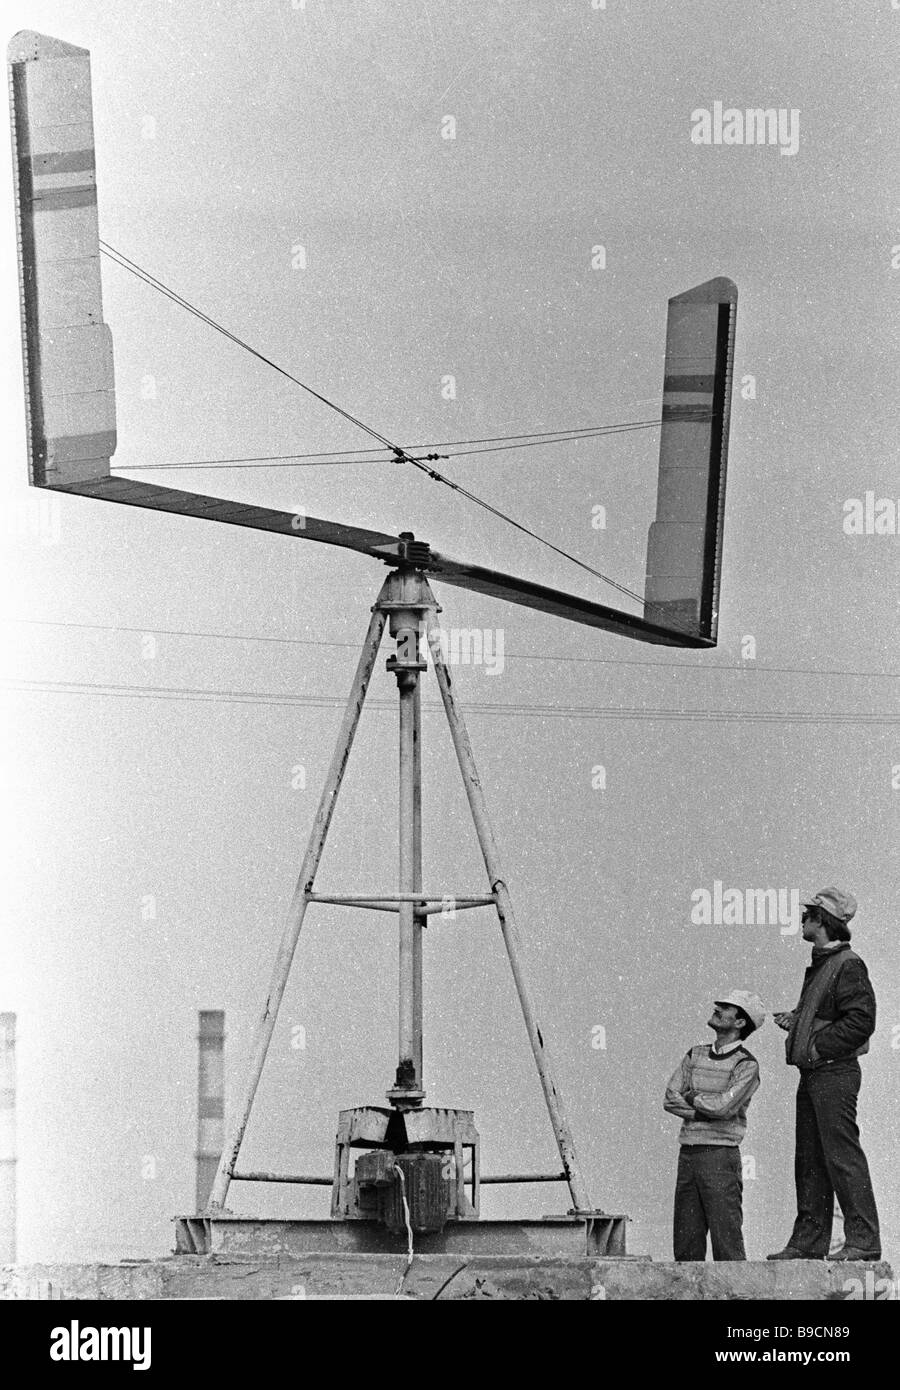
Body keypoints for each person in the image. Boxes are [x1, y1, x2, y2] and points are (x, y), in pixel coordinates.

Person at [768, 887, 881, 1261]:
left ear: (822, 920)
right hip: (816, 1075)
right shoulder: (824, 963)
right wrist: (800, 1025)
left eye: (808, 914)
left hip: (834, 1073)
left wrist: (816, 1044)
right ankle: (808, 1243)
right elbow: (835, 1017)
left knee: (841, 1157)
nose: (803, 919)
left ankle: (863, 1241)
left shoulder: (847, 964)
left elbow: (861, 1022)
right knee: (811, 1160)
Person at [664, 990, 764, 1261]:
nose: (717, 1007)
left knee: (727, 1239)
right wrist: (702, 1113)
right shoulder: (694, 1054)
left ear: (740, 1022)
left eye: (727, 1007)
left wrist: (693, 1096)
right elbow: (670, 1098)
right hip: (688, 1154)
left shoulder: (746, 1065)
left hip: (720, 1156)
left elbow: (724, 1107)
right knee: (686, 1242)